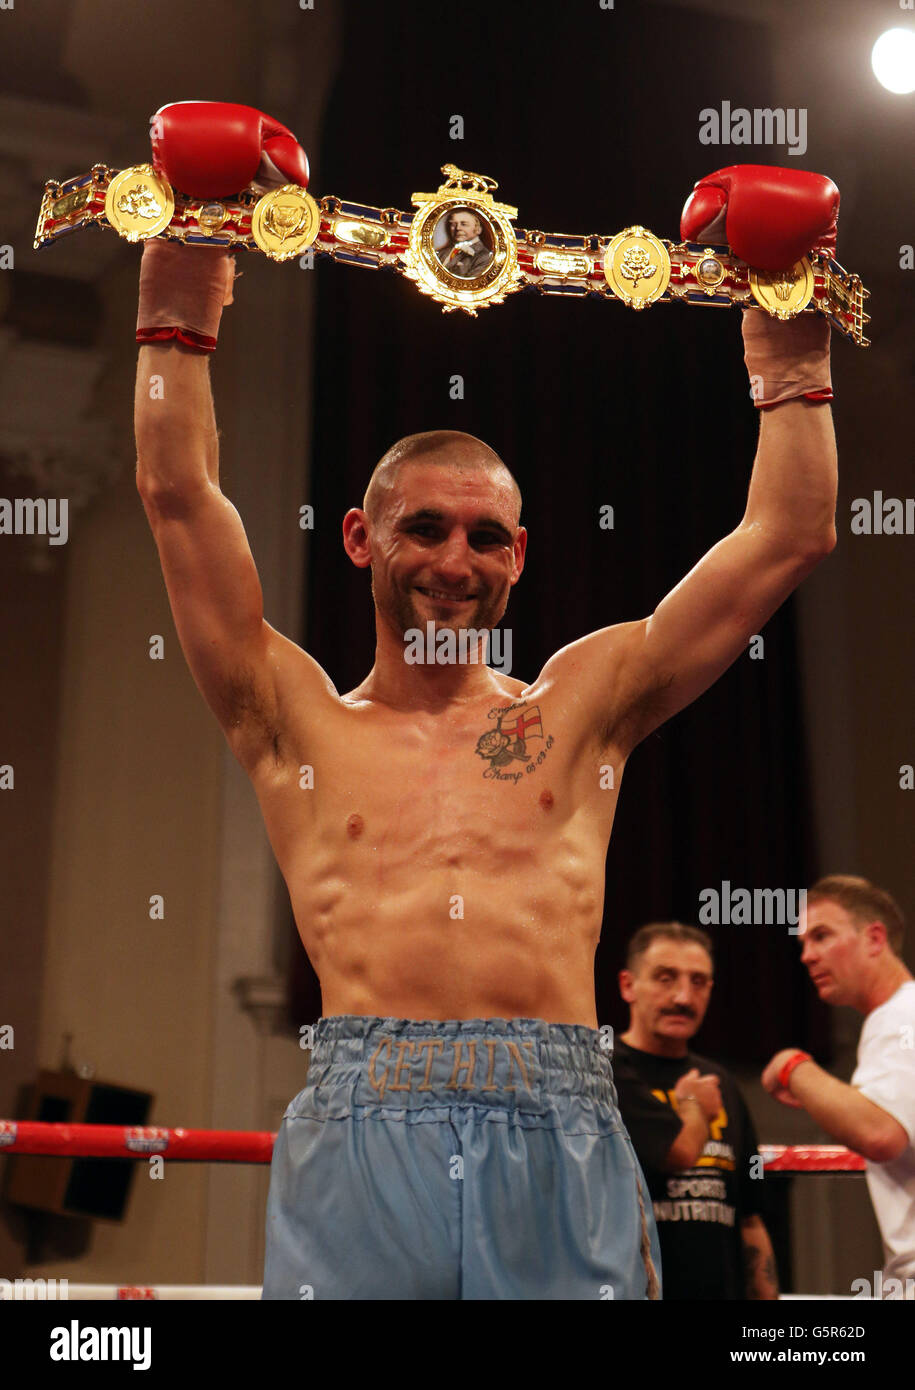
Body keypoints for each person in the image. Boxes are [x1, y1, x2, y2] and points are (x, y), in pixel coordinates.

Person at [134, 102, 839, 1299]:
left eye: (486, 536)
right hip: (367, 1123)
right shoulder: (290, 715)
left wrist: (790, 338)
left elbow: (792, 533)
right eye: (425, 527)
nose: (455, 560)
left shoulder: (585, 703)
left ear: (522, 557)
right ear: (360, 538)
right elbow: (175, 490)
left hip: (564, 1115)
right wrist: (190, 254)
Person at [762, 875, 915, 1295]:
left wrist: (793, 1065)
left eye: (822, 936)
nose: (808, 956)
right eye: (803, 944)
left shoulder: (900, 1018)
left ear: (874, 938)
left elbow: (880, 1134)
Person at [613, 923, 779, 1299]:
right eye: (665, 978)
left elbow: (749, 1217)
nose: (683, 997)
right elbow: (678, 1153)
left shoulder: (720, 1082)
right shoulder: (603, 1072)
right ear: (628, 986)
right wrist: (692, 1107)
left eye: (698, 981)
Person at [435, 207, 494, 277]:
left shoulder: (485, 257)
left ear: (478, 229)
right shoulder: (441, 253)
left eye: (464, 224)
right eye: (453, 224)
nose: (458, 228)